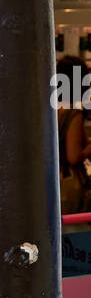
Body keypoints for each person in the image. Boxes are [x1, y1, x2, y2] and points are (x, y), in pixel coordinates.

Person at [56, 56, 91, 214]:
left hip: (53, 181)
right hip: (69, 186)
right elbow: (73, 156)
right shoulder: (73, 113)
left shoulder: (53, 109)